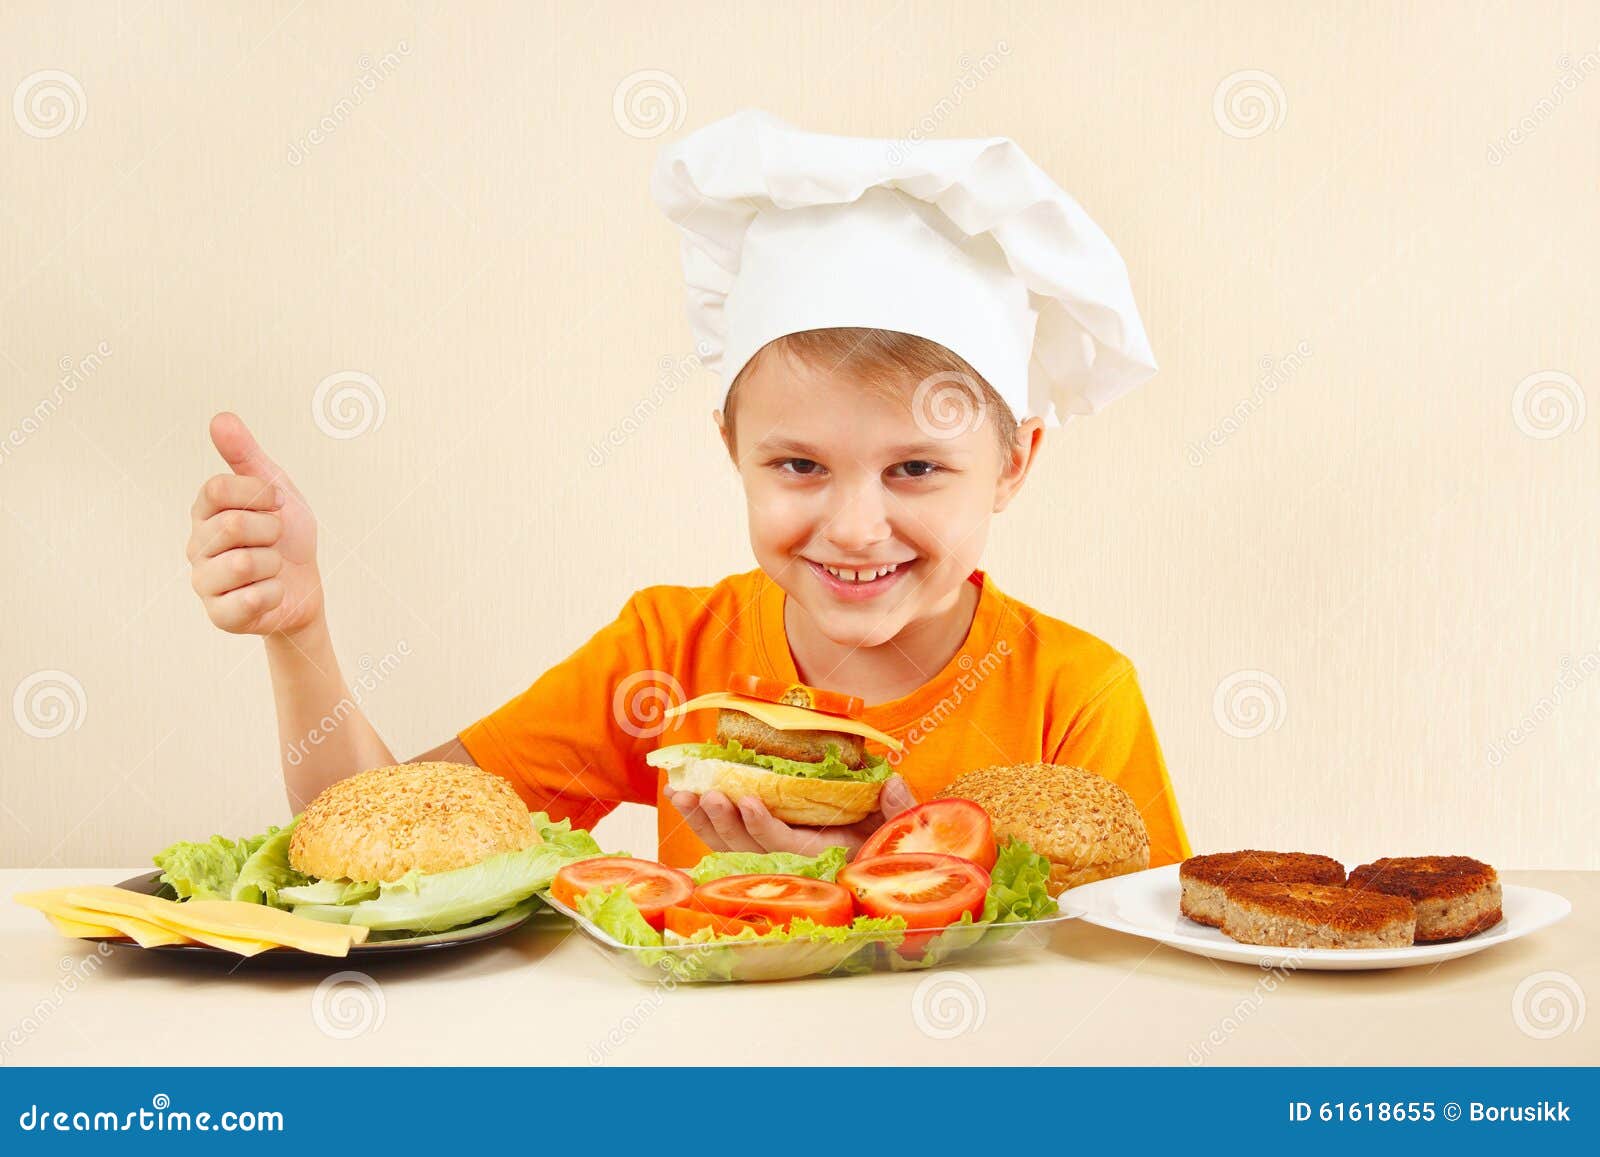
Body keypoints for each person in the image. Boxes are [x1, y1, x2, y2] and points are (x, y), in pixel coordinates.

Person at [184, 109, 1190, 869]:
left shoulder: (1074, 696)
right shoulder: (668, 656)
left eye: (916, 468)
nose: (854, 525)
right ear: (731, 446)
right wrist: (299, 634)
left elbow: (1133, 987)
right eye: (800, 465)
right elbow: (376, 840)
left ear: (1014, 464)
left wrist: (882, 880)